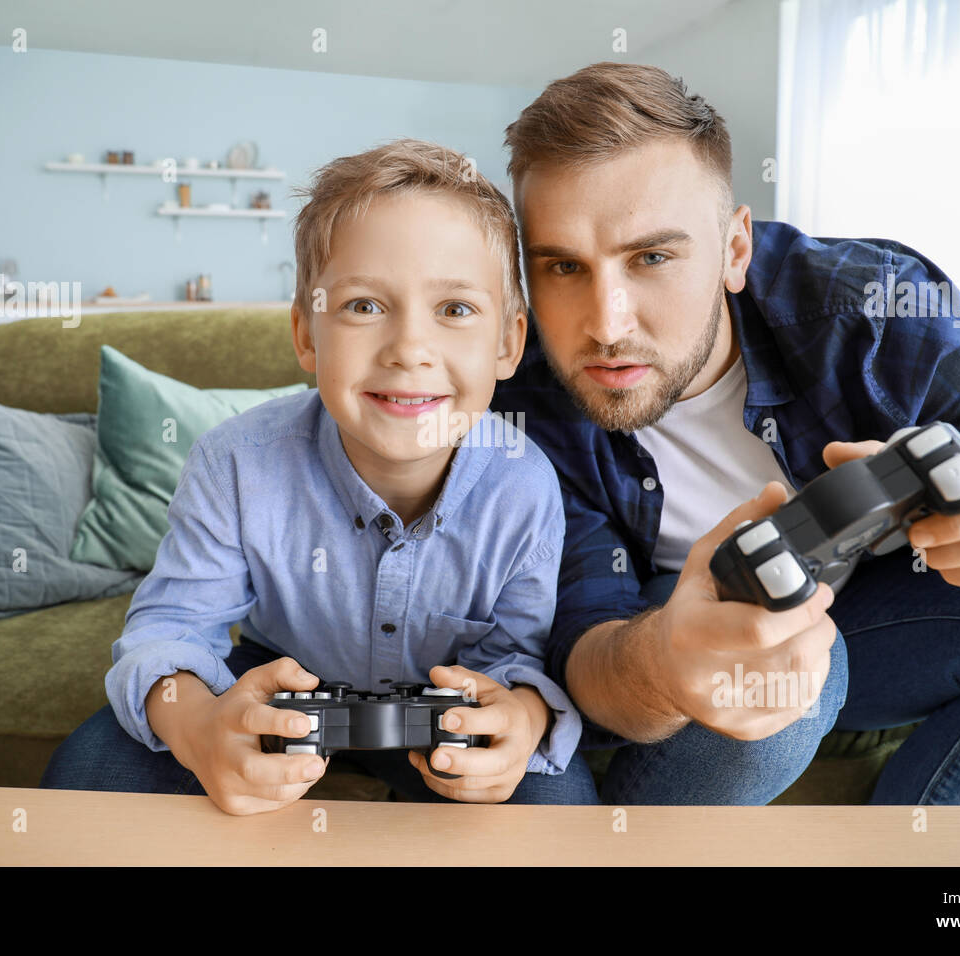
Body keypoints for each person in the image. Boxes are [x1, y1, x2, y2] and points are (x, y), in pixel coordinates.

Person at [491, 62, 960, 805]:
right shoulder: (514, 391)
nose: (606, 323)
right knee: (781, 663)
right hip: (662, 620)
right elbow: (582, 650)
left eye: (653, 257)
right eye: (563, 267)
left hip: (897, 616)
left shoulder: (881, 312)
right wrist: (663, 664)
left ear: (734, 250)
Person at [41, 139, 598, 812]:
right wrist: (200, 729)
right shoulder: (235, 461)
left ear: (508, 342)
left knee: (556, 798)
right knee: (93, 769)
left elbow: (516, 657)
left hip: (441, 713)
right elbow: (170, 634)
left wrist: (520, 719)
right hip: (281, 684)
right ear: (307, 334)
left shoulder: (524, 482)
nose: (410, 351)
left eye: (455, 310)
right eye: (364, 305)